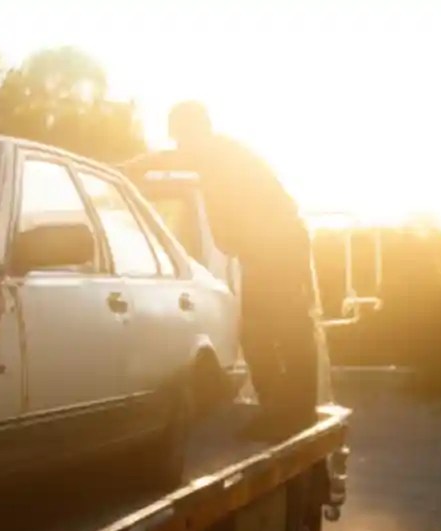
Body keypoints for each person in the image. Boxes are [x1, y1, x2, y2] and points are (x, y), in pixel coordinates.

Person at [125, 102, 321, 438]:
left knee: (283, 329)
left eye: (183, 136)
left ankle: (294, 412)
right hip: (264, 249)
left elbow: (177, 161)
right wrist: (127, 167)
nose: (181, 145)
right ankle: (278, 408)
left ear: (199, 129)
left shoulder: (225, 156)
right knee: (260, 331)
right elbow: (167, 159)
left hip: (279, 246)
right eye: (178, 138)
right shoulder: (208, 153)